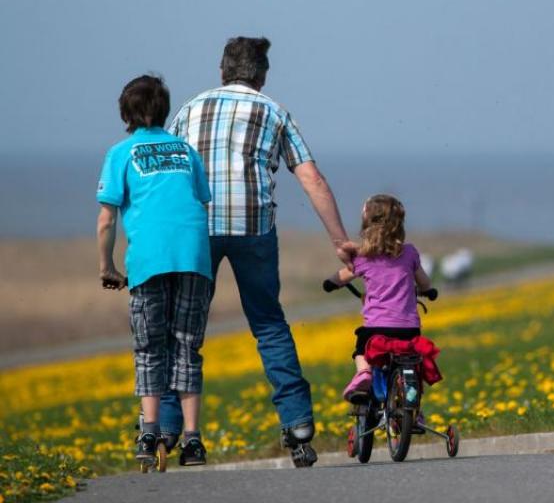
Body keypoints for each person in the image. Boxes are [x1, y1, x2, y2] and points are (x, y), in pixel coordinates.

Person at [161, 37, 356, 467]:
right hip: (254, 229)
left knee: (184, 331)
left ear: (222, 70)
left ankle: (171, 429)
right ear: (262, 75)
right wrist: (341, 241)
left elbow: (167, 175)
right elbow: (313, 180)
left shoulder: (189, 109)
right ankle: (298, 425)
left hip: (198, 229)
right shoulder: (273, 111)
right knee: (268, 325)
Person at [97, 75, 213, 468]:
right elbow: (200, 201)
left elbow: (106, 220)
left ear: (125, 113)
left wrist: (107, 266)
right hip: (194, 258)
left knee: (150, 348)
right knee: (186, 348)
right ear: (164, 110)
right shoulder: (185, 150)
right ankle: (193, 441)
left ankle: (149, 433)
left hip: (148, 262)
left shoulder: (121, 153)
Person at [323, 194, 435, 411]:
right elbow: (424, 282)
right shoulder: (409, 253)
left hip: (377, 329)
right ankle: (414, 411)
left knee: (360, 349)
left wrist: (330, 283)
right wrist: (428, 291)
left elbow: (341, 277)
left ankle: (363, 372)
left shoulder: (363, 257)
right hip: (409, 329)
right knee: (412, 365)